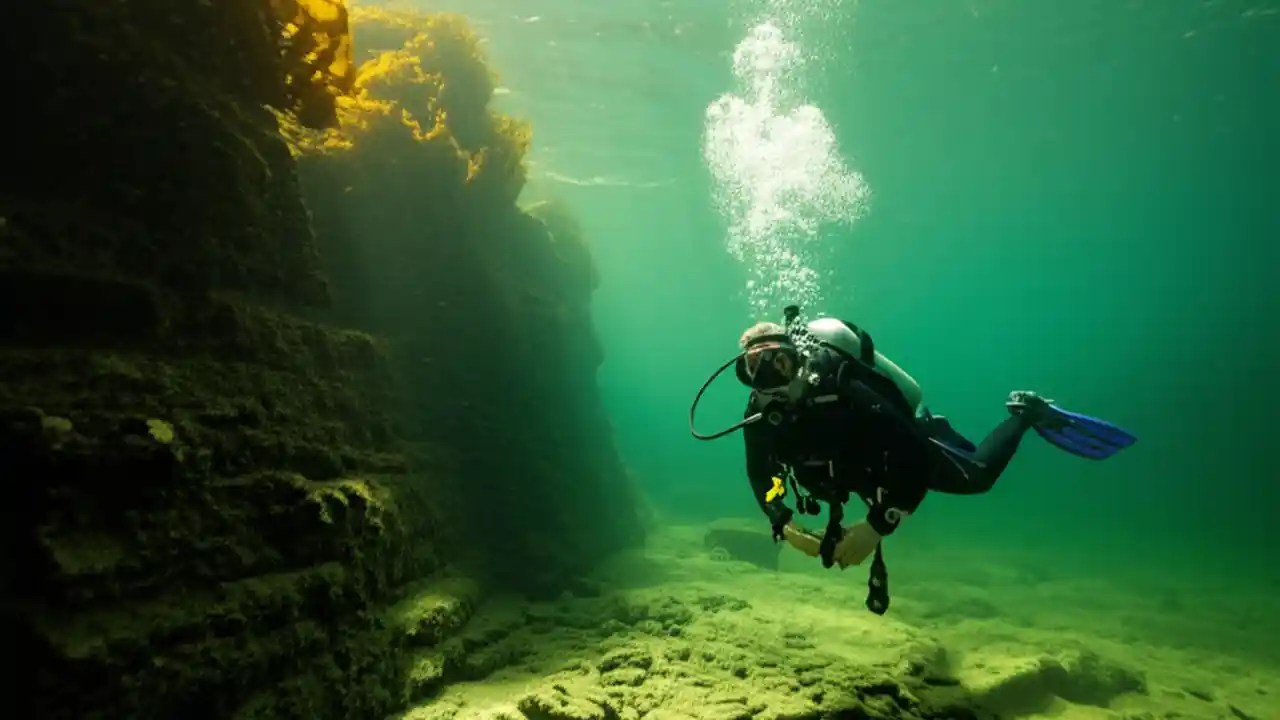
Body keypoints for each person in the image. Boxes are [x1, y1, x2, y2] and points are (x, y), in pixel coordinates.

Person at [688, 306, 1136, 614]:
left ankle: (1025, 413)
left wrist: (877, 525)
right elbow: (763, 475)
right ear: (745, 374)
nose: (773, 377)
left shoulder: (837, 380)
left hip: (901, 444)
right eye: (757, 369)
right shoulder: (760, 414)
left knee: (976, 477)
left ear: (796, 355)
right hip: (854, 472)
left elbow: (911, 456)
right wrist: (779, 516)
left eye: (779, 362)